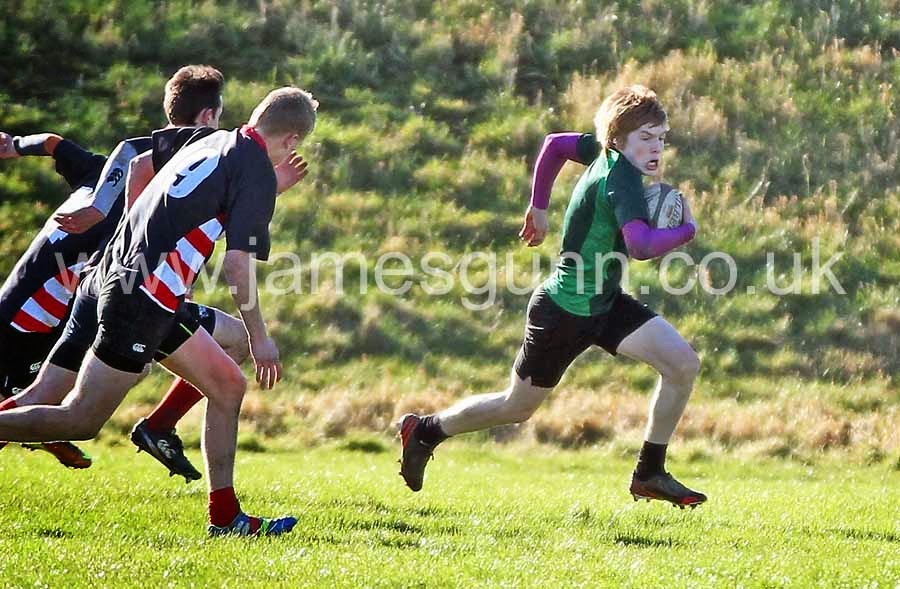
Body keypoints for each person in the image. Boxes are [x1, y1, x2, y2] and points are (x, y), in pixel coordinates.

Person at [0, 86, 319, 536]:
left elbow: (139, 163)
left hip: (109, 275)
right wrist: (261, 337)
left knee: (227, 384)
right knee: (81, 418)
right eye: (295, 145)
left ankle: (225, 516)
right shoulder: (256, 175)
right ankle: (208, 495)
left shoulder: (208, 138)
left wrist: (134, 236)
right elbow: (236, 266)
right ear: (291, 141)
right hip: (141, 301)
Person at [398, 85, 707, 508]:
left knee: (682, 364)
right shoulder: (625, 181)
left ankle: (649, 471)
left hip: (604, 302)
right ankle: (426, 431)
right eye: (646, 138)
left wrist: (538, 206)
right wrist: (685, 232)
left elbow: (554, 145)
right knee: (515, 407)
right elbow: (641, 247)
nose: (656, 148)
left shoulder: (603, 152)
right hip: (563, 311)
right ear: (617, 138)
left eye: (661, 138)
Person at [0, 65, 250, 481]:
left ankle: (159, 427)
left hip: (102, 296)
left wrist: (15, 146)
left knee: (54, 403)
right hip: (91, 306)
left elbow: (54, 143)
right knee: (66, 413)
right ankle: (157, 429)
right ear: (208, 117)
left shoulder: (122, 160)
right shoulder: (189, 173)